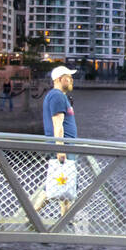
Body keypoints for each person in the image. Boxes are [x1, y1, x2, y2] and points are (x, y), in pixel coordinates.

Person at [42, 65, 79, 216]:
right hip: (64, 148)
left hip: (66, 147)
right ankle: (65, 223)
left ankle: (64, 221)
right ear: (58, 79)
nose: (71, 79)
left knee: (60, 185)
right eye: (68, 77)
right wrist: (60, 149)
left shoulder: (59, 96)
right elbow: (58, 124)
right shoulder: (57, 96)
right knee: (63, 184)